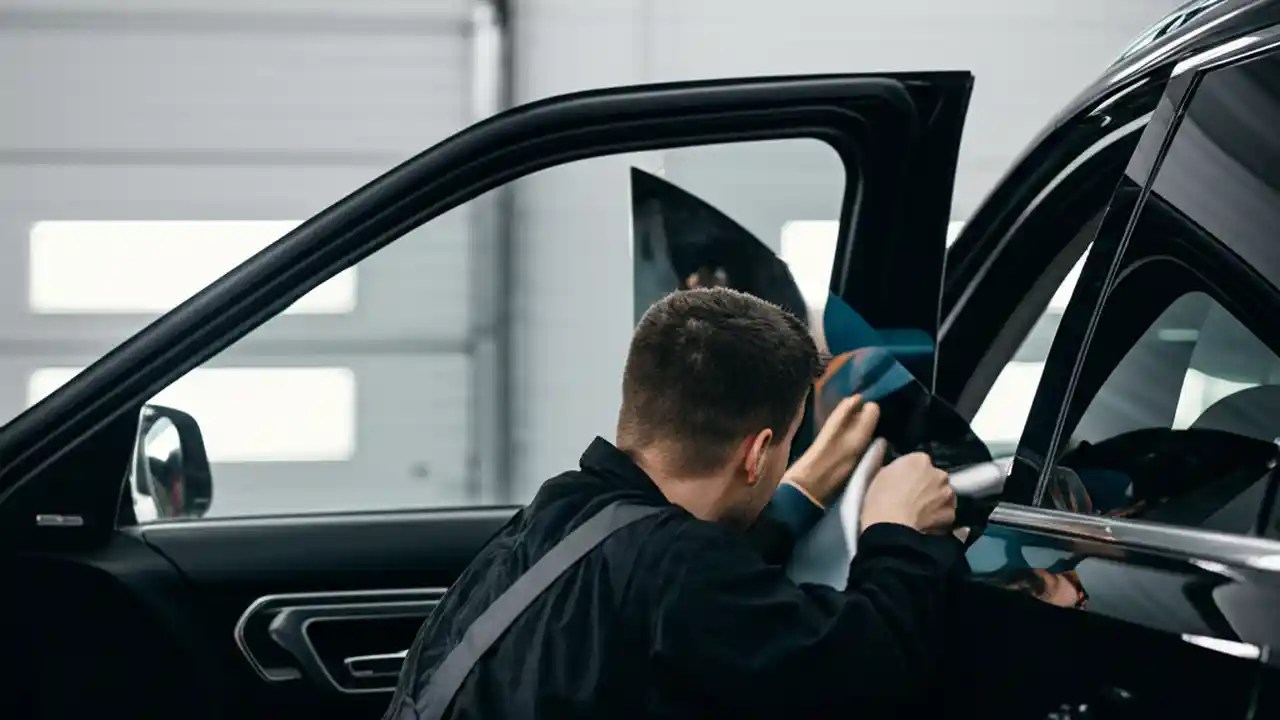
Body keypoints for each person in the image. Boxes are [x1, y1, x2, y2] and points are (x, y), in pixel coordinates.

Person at [385, 288, 964, 719]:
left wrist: (798, 495)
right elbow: (870, 676)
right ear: (757, 453)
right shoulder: (678, 572)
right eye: (789, 443)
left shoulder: (564, 510)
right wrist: (897, 531)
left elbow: (683, 592)